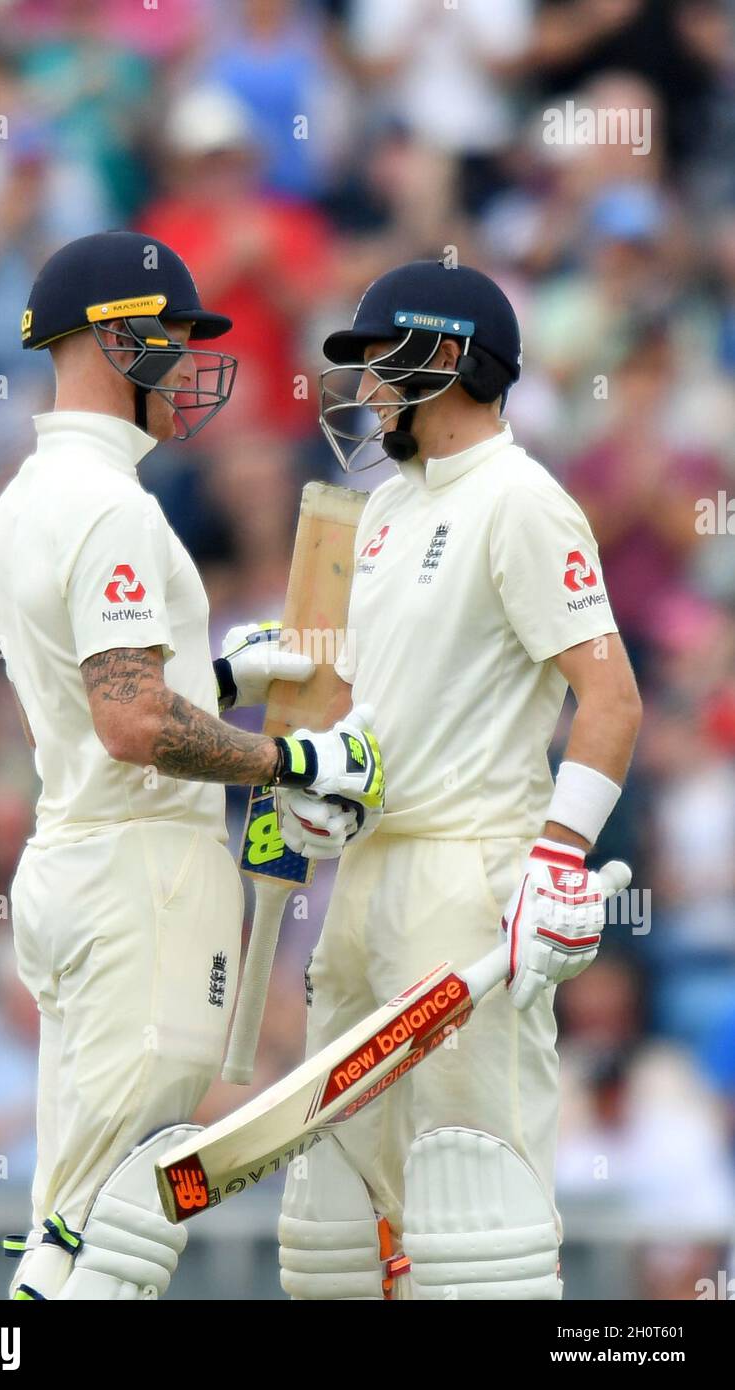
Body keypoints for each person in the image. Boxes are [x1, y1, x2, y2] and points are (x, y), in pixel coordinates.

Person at [0, 230, 384, 1300]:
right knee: (129, 1203)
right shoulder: (111, 506)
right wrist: (292, 757)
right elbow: (130, 721)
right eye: (172, 335)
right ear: (116, 343)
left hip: (74, 857)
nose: (193, 359)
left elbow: (107, 697)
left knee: (68, 1215)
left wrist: (214, 677)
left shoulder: (29, 494)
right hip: (139, 878)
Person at [276, 257, 642, 1300]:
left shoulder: (523, 501)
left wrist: (554, 859)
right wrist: (323, 783)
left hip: (465, 877)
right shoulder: (383, 509)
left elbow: (609, 700)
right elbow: (376, 709)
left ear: (443, 359)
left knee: (470, 1209)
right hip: (368, 877)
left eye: (380, 365)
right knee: (334, 1219)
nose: (367, 391)